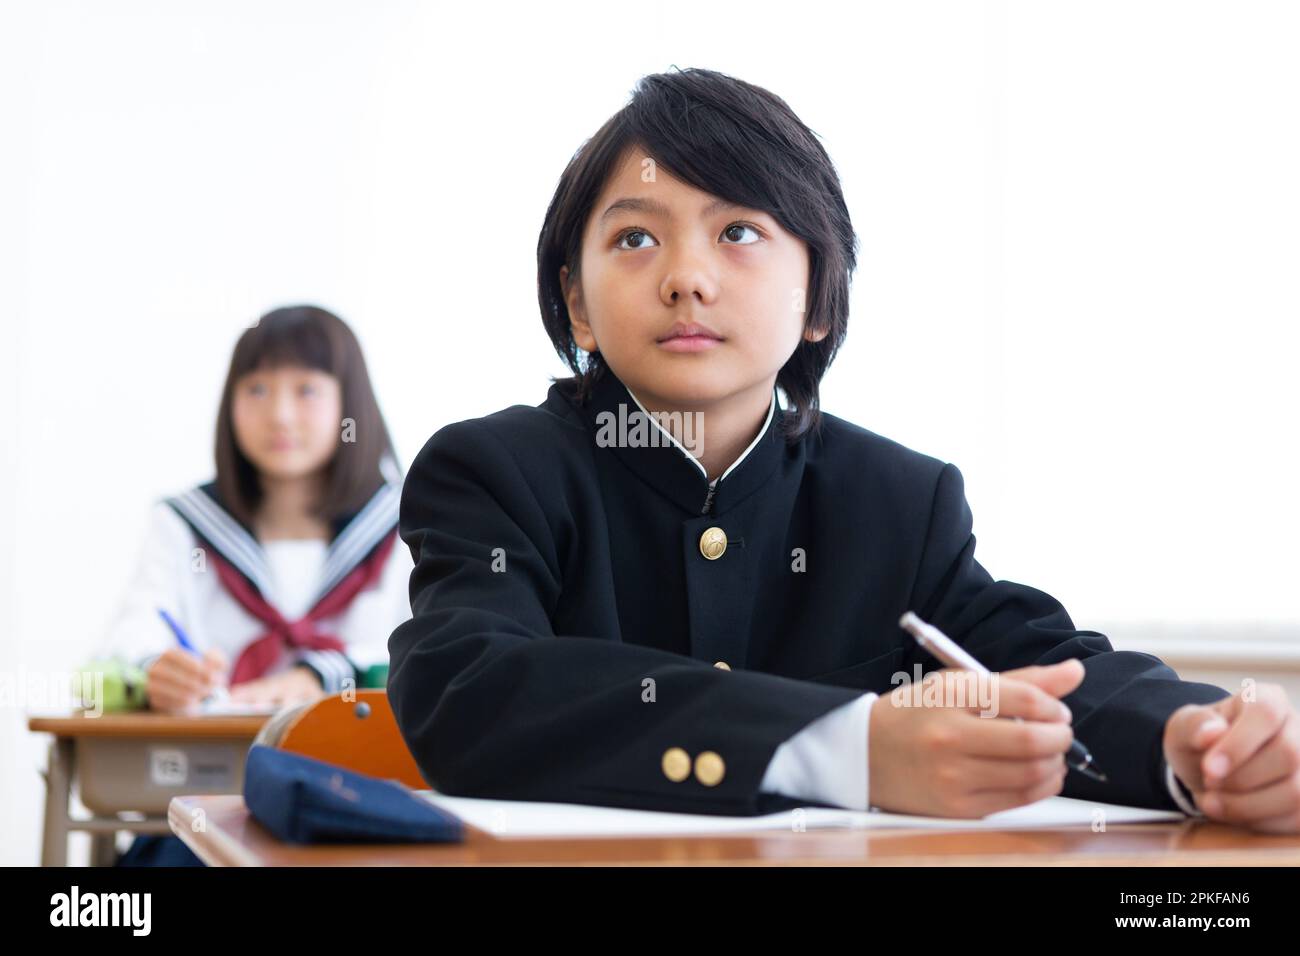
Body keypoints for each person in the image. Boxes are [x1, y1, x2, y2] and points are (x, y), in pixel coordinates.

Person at [388, 68, 1300, 832]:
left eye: (739, 232)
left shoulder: (896, 500)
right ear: (577, 305)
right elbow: (468, 686)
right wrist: (850, 744)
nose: (687, 277)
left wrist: (1193, 741)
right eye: (635, 237)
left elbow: (1037, 667)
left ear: (819, 295)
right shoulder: (493, 472)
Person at [102, 305, 413, 864]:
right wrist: (155, 671)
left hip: (363, 800)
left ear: (351, 403)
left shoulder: (408, 524)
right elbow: (129, 635)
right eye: (257, 389)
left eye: (307, 390)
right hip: (207, 798)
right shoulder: (184, 524)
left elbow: (433, 650)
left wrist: (320, 676)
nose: (281, 415)